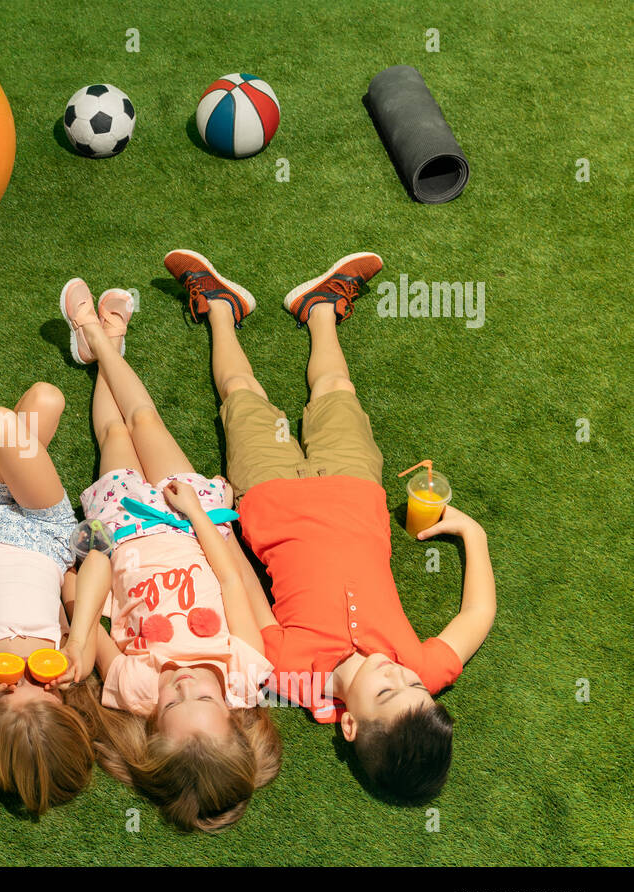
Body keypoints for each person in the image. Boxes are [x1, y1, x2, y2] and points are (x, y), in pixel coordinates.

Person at [168, 247, 496, 803]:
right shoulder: (422, 667)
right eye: (413, 683)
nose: (398, 675)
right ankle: (320, 307)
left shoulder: (285, 672)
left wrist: (217, 522)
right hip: (353, 486)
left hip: (269, 495)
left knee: (242, 395)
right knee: (336, 390)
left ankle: (220, 308)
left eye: (388, 692)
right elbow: (477, 614)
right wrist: (473, 535)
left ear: (349, 725)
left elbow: (247, 591)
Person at [60, 277, 282, 832]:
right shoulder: (244, 673)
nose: (182, 686)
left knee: (113, 430)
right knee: (145, 420)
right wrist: (200, 515)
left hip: (122, 533)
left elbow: (93, 631)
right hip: (187, 520)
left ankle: (101, 341)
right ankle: (98, 336)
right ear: (234, 716)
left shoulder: (135, 690)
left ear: (153, 726)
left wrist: (77, 597)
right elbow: (232, 583)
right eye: (199, 698)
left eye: (173, 707)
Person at [0, 381, 103, 815]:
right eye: (41, 685)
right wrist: (80, 640)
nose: (25, 675)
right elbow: (103, 560)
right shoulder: (73, 660)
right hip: (48, 531)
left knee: (4, 423)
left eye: (11, 691)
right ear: (62, 700)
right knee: (45, 400)